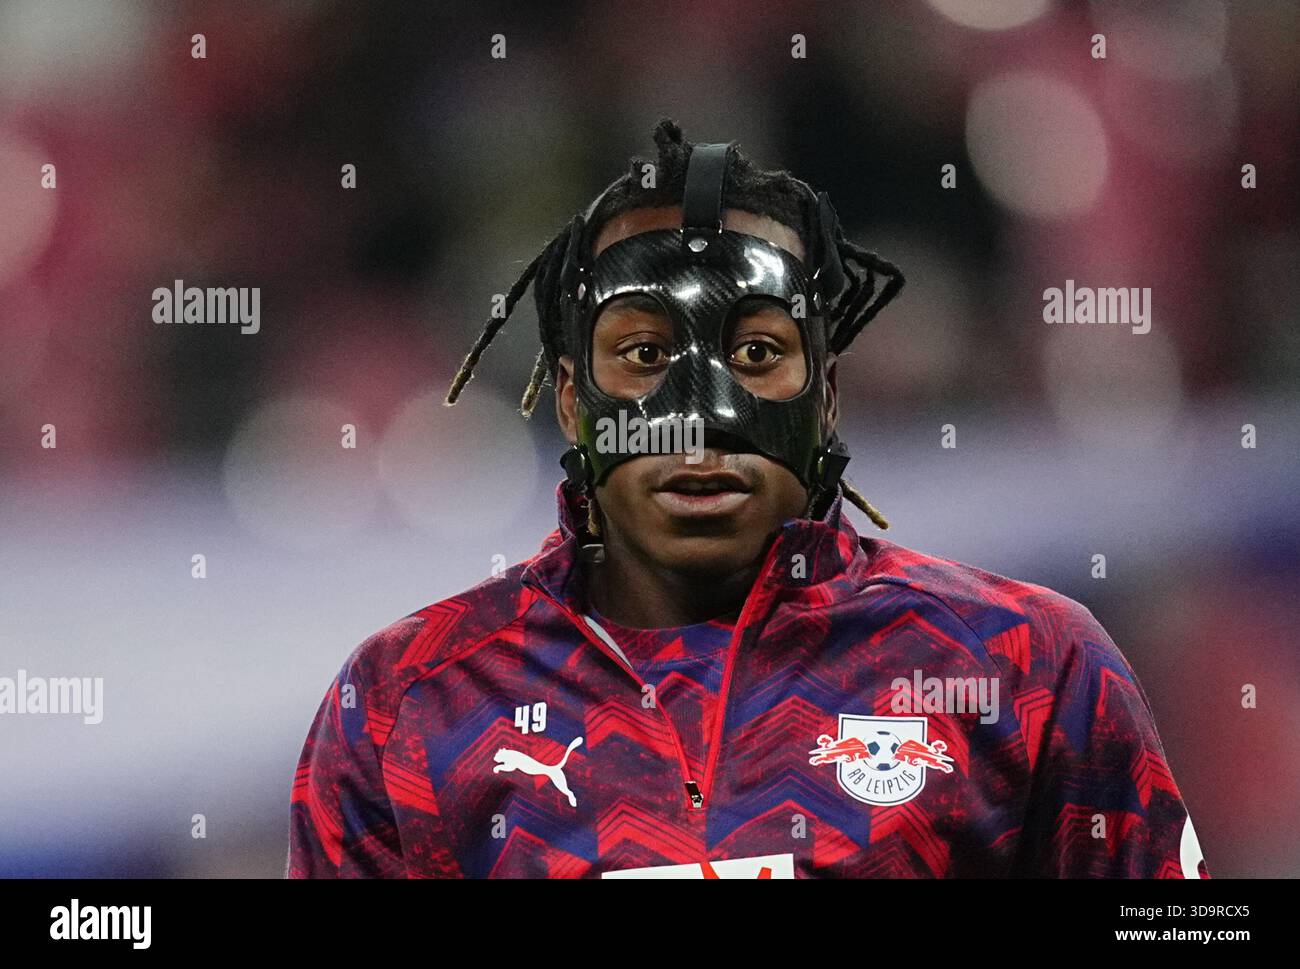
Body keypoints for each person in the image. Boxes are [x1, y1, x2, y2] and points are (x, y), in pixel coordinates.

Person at [287, 118, 1206, 879]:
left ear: (827, 395)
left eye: (756, 354)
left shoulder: (1028, 667)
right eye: (645, 355)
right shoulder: (408, 702)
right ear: (572, 400)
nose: (700, 417)